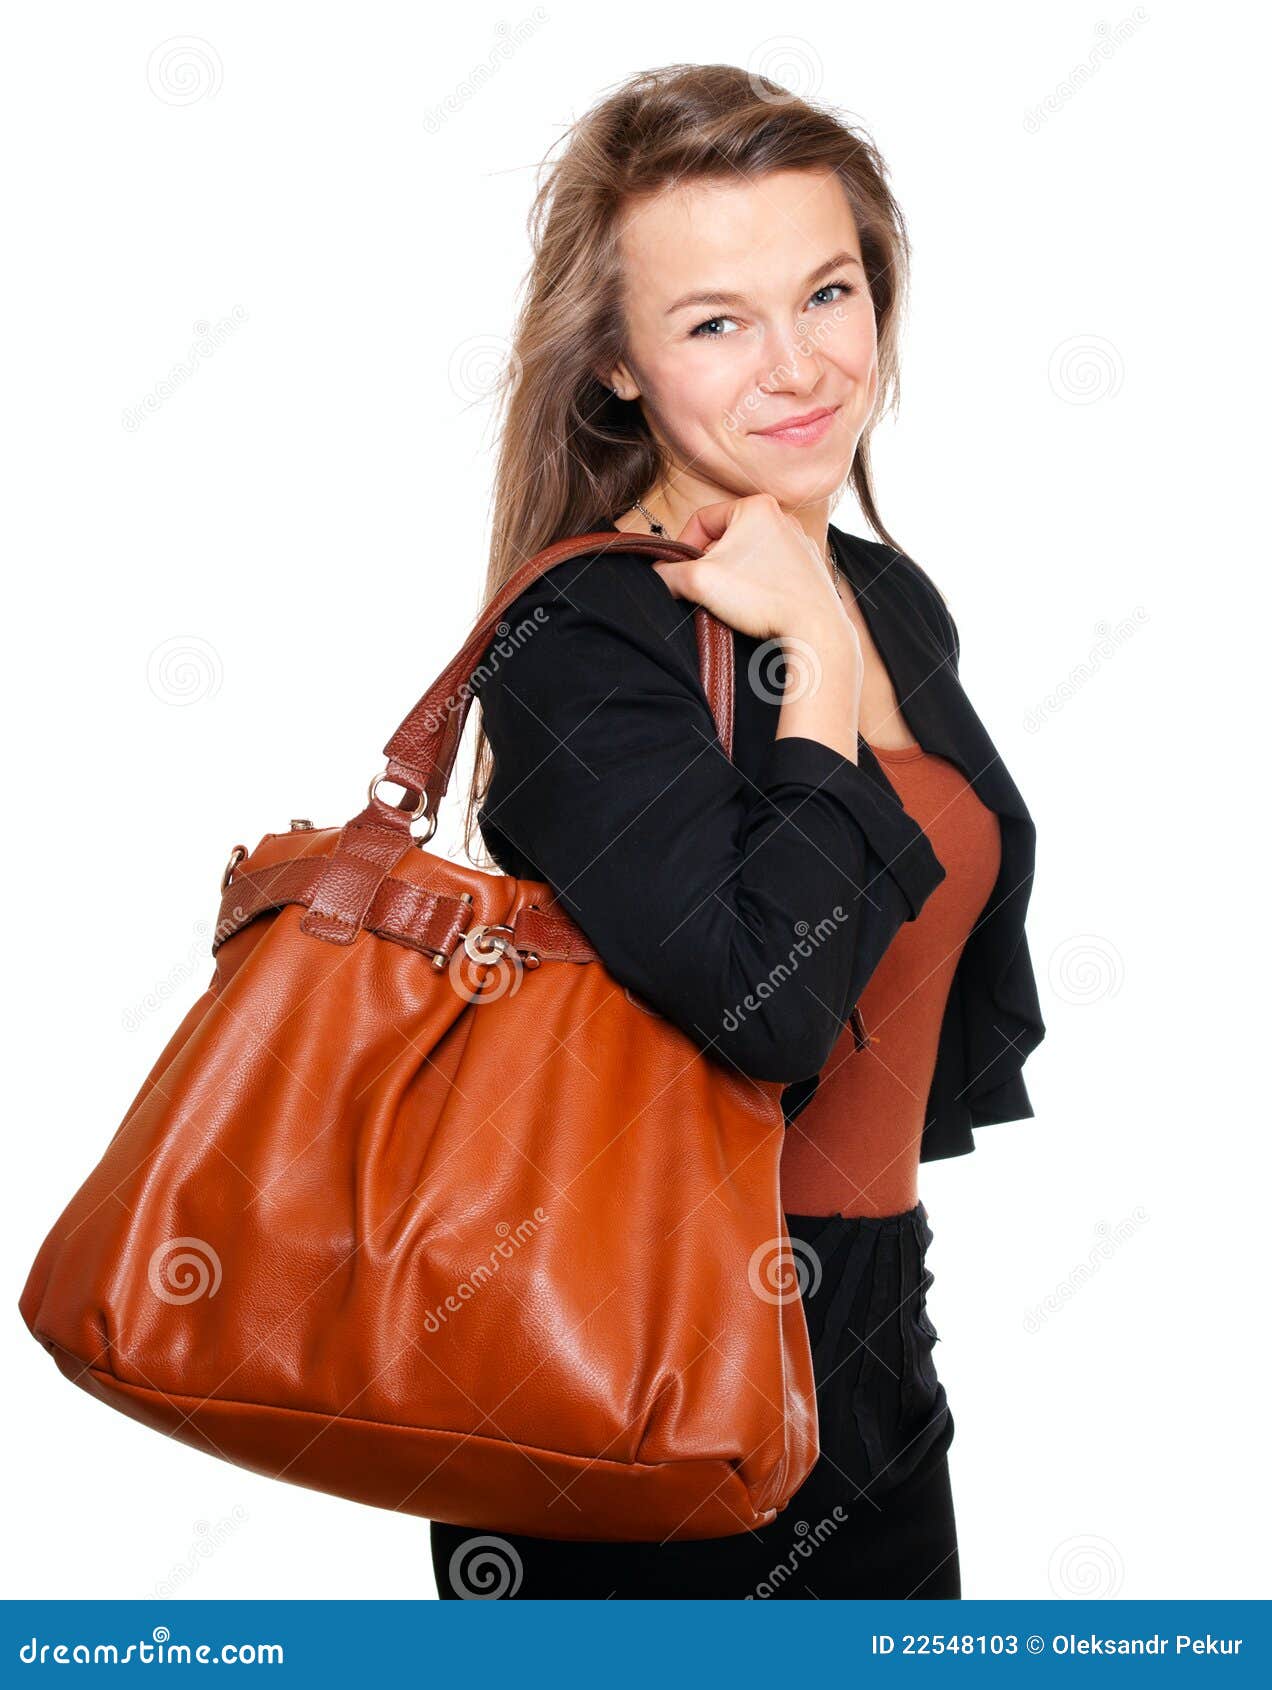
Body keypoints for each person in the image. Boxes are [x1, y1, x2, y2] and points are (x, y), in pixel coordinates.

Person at [429, 62, 1045, 1600]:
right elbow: (768, 1009)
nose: (800, 367)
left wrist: (836, 638)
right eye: (716, 322)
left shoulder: (880, 594)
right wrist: (814, 683)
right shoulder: (584, 638)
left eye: (827, 291)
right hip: (629, 1367)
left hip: (872, 1355)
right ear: (619, 364)